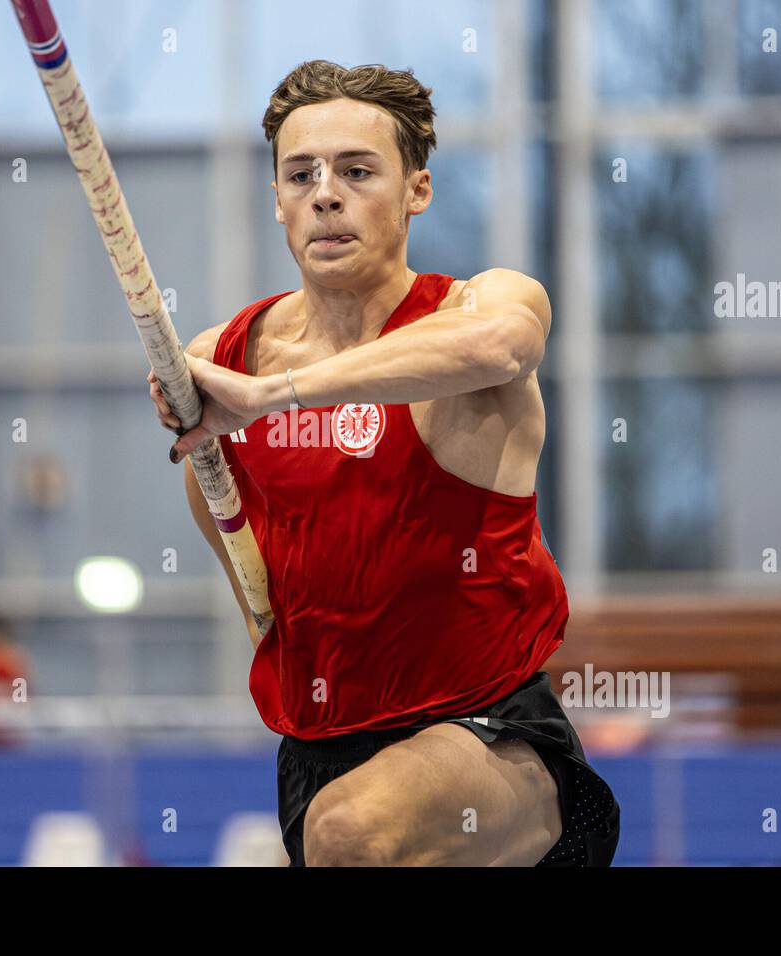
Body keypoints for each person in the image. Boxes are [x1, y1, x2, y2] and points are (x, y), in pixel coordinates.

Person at [148, 60, 619, 866]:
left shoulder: (485, 305)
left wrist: (278, 395)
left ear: (417, 191)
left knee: (354, 833)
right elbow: (263, 597)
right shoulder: (220, 364)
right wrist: (253, 396)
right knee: (343, 826)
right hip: (315, 755)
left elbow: (502, 345)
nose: (326, 194)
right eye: (301, 175)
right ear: (277, 202)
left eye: (358, 171)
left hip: (491, 740)